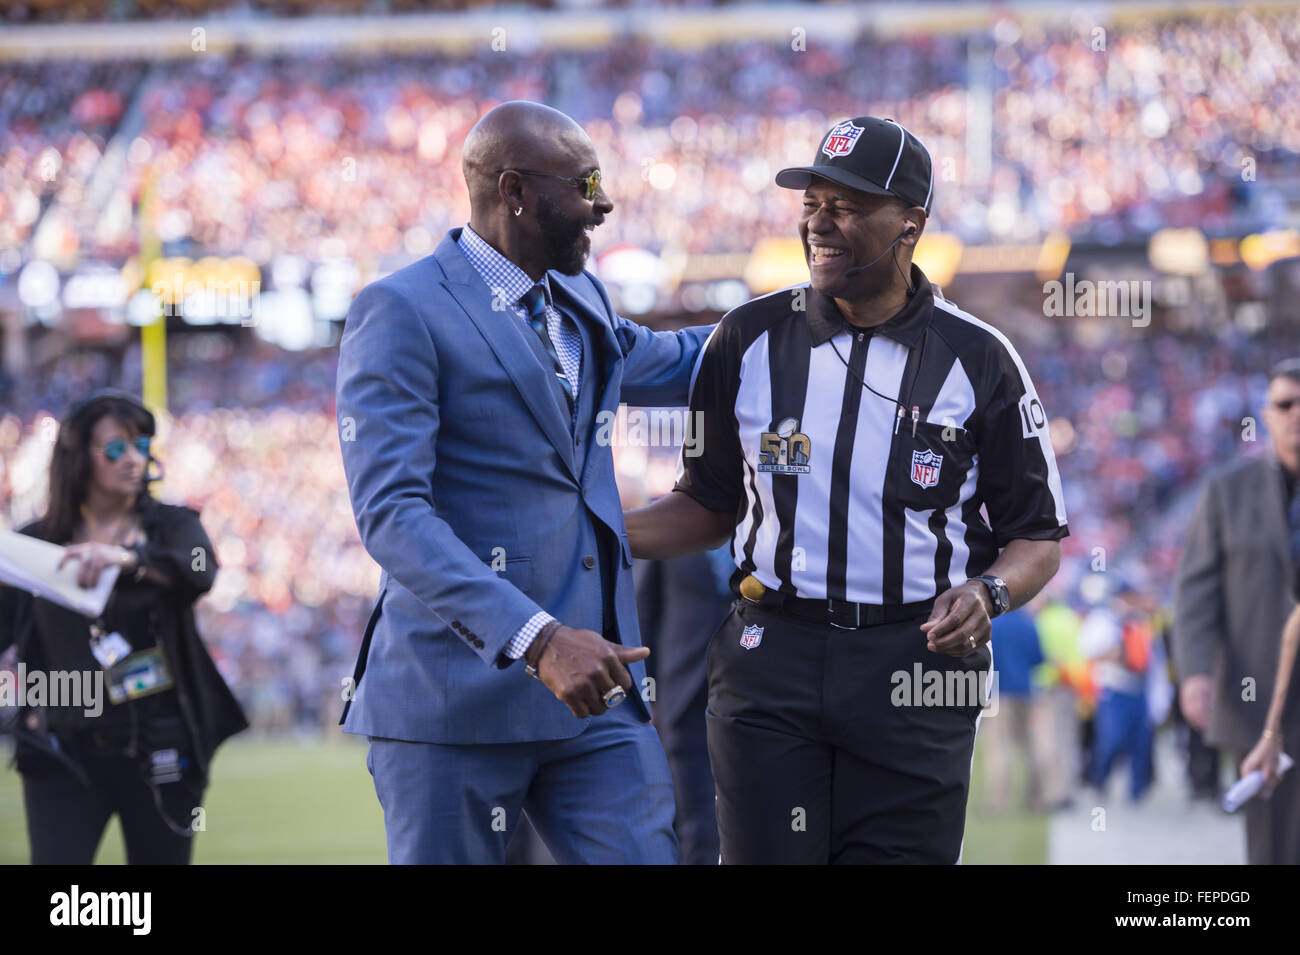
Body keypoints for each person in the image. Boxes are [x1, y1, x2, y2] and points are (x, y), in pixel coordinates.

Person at [626, 116, 1068, 864]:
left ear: (910, 224)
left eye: (847, 205)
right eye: (811, 203)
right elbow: (706, 506)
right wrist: (596, 523)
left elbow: (1038, 536)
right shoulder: (745, 338)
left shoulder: (981, 359)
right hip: (772, 655)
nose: (819, 224)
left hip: (916, 663)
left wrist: (988, 593)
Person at [335, 101, 712, 864]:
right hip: (455, 701)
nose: (603, 203)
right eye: (585, 183)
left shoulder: (584, 298)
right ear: (514, 190)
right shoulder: (400, 310)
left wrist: (816, 307)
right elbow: (392, 515)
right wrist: (537, 639)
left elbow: (683, 361)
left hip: (594, 697)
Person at [0, 389, 247, 864]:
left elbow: (201, 570)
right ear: (77, 457)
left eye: (140, 445)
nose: (133, 459)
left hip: (160, 744)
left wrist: (128, 561)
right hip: (62, 747)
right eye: (116, 448)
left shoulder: (171, 527)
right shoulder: (36, 544)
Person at [1174, 357, 1300, 864]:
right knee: (1271, 841)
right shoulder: (1228, 490)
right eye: (1286, 404)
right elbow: (1196, 589)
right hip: (1258, 690)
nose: (1297, 415)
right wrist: (1196, 672)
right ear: (1266, 415)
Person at [633, 546, 732, 864]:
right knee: (696, 822)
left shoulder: (767, 526)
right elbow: (646, 614)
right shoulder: (671, 530)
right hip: (683, 695)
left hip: (751, 690)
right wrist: (646, 699)